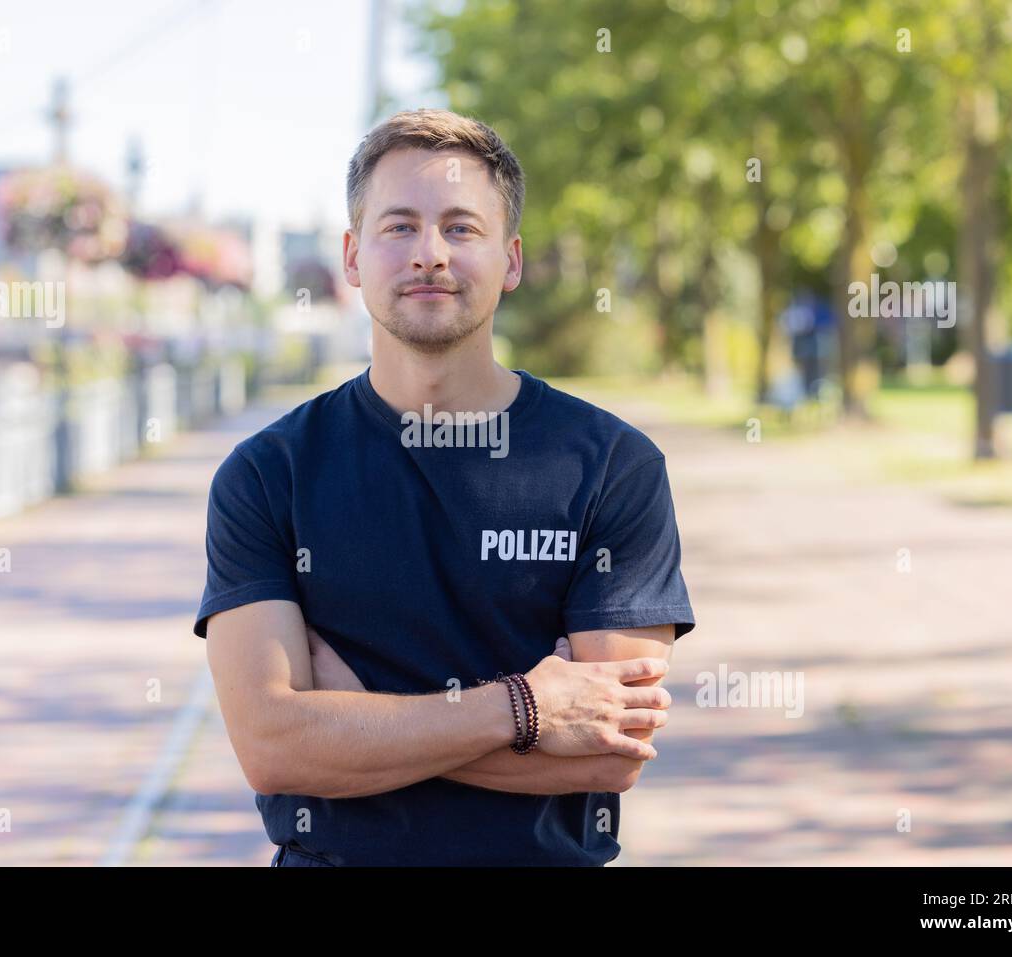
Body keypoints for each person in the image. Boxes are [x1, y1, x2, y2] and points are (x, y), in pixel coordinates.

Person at [195, 108, 696, 866]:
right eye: (399, 227)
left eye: (462, 228)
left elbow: (608, 754)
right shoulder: (267, 475)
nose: (430, 253)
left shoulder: (612, 465)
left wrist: (351, 718)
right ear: (353, 256)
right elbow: (273, 749)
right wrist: (525, 709)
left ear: (512, 259)